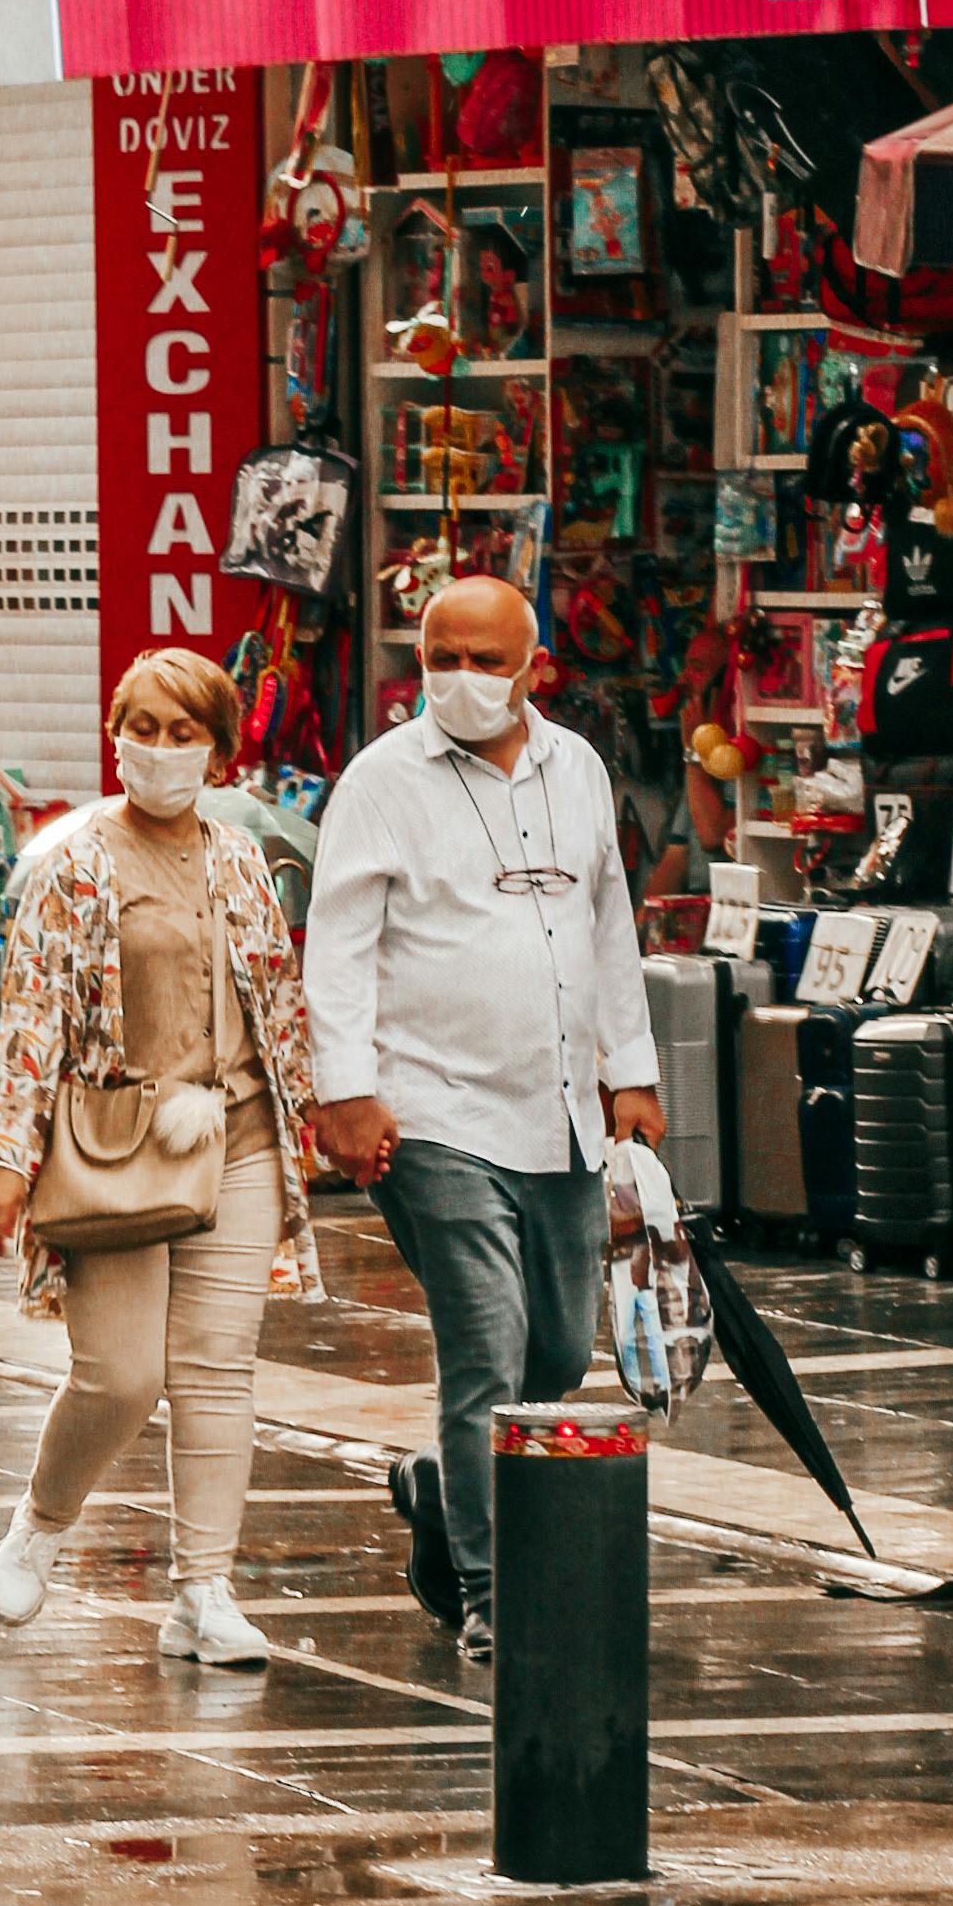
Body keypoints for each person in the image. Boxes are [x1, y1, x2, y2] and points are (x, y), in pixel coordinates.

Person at [303, 574, 664, 1669]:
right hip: (434, 1114)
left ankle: (438, 1480)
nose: (463, 679)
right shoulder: (380, 782)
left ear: (534, 667)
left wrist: (632, 1071)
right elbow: (340, 944)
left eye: (487, 659)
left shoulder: (580, 769)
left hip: (557, 1109)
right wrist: (346, 1091)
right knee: (487, 1346)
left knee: (554, 1348)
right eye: (442, 658)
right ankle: (487, 1585)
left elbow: (606, 924)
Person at [0, 651, 321, 1666]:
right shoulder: (72, 863)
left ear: (218, 749)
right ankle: (38, 1524)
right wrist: (4, 1162)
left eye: (182, 734)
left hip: (238, 1136)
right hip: (112, 1142)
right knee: (120, 1375)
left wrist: (311, 1121)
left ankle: (204, 1592)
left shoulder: (243, 859)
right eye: (143, 728)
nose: (160, 751)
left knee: (215, 1371)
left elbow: (279, 1004)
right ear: (111, 734)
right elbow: (30, 1018)